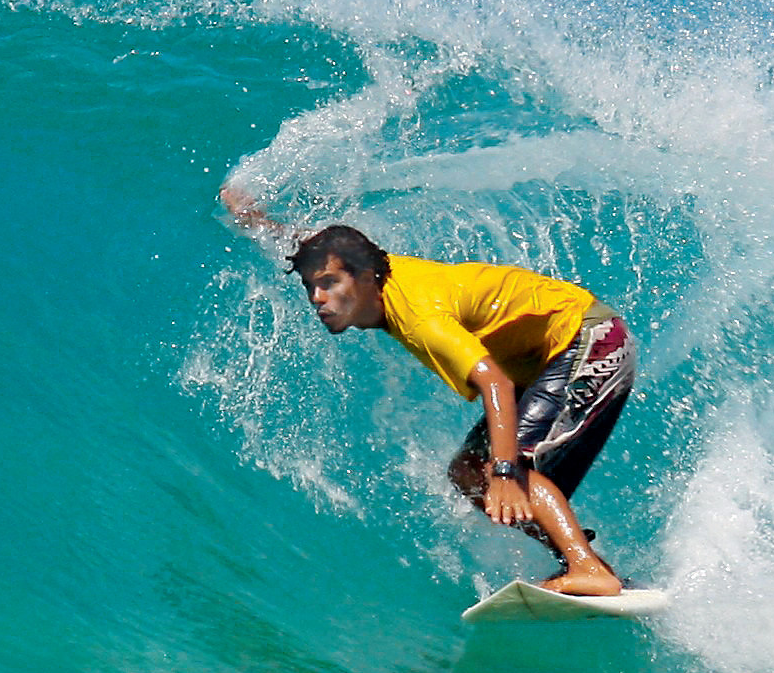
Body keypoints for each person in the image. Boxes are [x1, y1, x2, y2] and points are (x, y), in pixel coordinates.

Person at [222, 184, 638, 595]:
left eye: (329, 284)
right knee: (467, 471)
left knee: (508, 467)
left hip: (589, 340)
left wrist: (505, 472)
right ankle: (588, 563)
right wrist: (256, 221)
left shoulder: (420, 318)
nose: (317, 297)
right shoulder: (371, 268)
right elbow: (317, 249)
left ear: (364, 278)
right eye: (311, 286)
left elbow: (494, 382)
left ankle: (587, 568)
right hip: (544, 357)